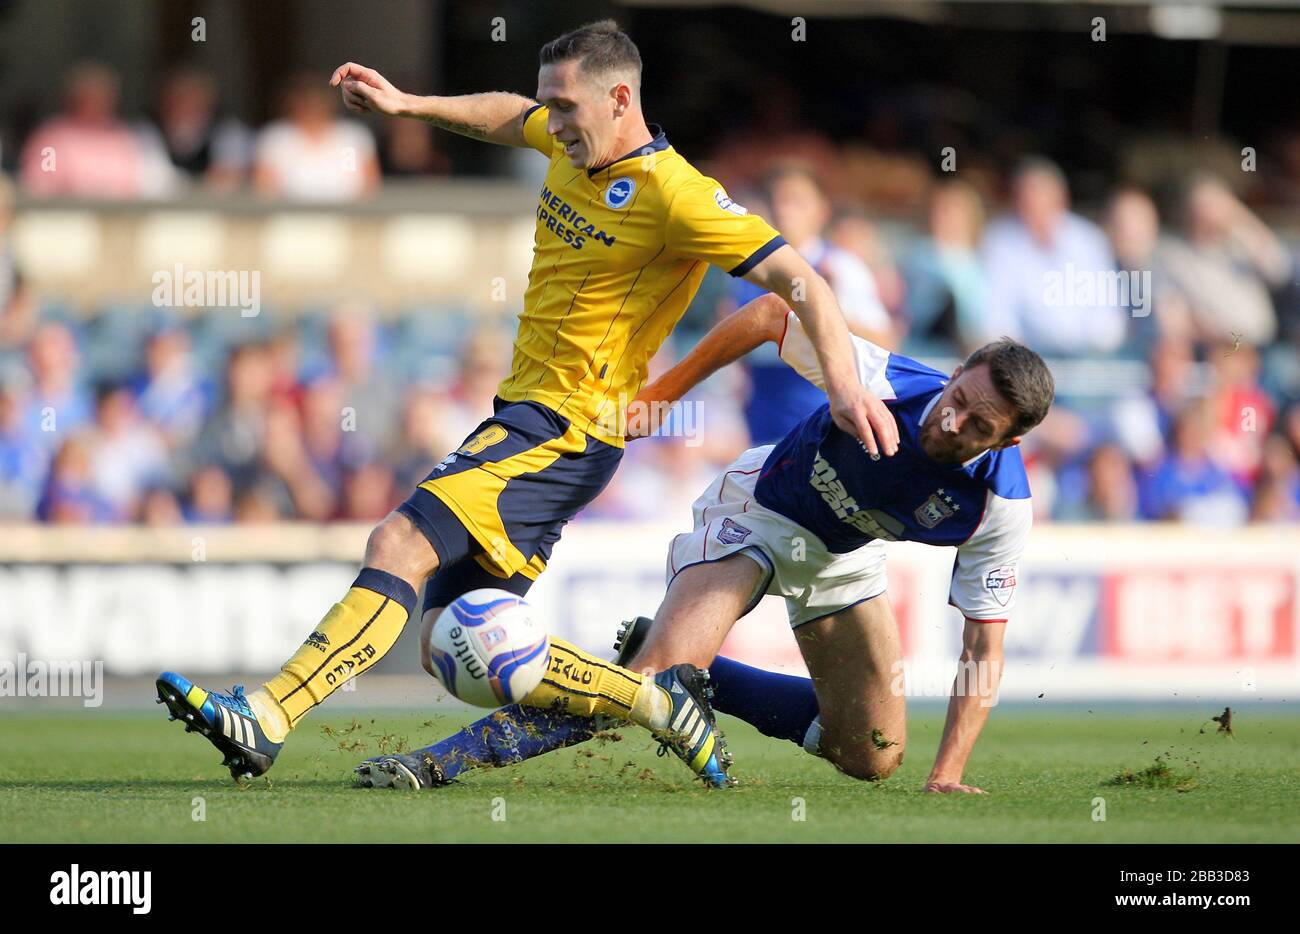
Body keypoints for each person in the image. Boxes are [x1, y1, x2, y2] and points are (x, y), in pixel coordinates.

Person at [156, 20, 898, 788]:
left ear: (620, 98)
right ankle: (654, 700)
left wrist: (844, 387)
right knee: (456, 643)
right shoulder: (573, 139)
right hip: (526, 416)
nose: (555, 122)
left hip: (566, 427)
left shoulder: (677, 194)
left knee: (398, 541)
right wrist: (408, 105)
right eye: (552, 104)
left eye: (567, 107)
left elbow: (799, 281)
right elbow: (509, 114)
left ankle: (268, 717)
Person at [357, 291, 1053, 795]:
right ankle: (443, 761)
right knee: (655, 680)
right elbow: (770, 314)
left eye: (978, 426)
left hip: (845, 558)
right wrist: (662, 396)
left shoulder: (1000, 505)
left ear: (1009, 440)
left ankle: (704, 680)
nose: (951, 423)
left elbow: (983, 648)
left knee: (872, 755)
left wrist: (949, 774)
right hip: (760, 511)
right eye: (957, 397)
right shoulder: (881, 380)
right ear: (958, 369)